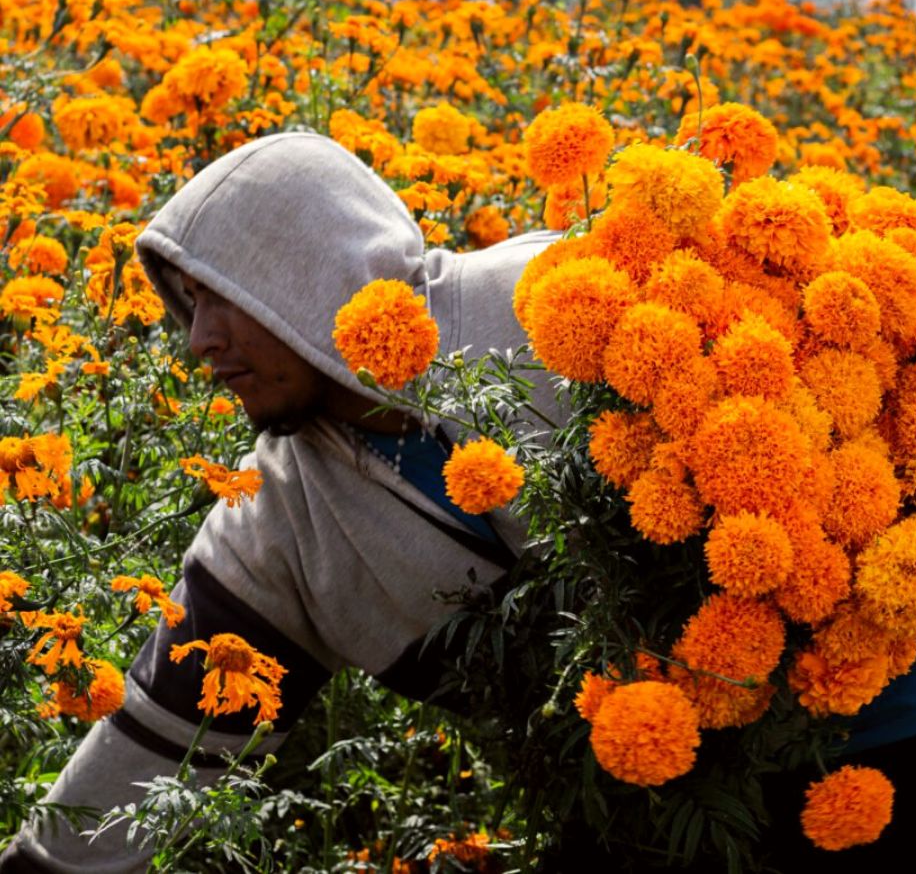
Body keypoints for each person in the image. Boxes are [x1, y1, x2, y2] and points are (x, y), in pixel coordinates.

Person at [0, 131, 558, 873]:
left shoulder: (544, 295)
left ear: (307, 273)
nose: (200, 340)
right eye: (190, 302)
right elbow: (146, 752)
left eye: (218, 293)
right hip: (629, 818)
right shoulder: (277, 524)